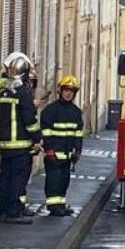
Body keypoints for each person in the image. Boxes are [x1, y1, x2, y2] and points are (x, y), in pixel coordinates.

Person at [0, 52, 42, 224]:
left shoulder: (2, 91)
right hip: (20, 145)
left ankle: (1, 210)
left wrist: (5, 123)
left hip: (5, 145)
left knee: (5, 177)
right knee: (18, 178)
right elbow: (29, 120)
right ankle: (13, 212)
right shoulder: (23, 93)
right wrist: (36, 138)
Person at [40, 75, 84, 216]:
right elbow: (46, 133)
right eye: (66, 90)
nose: (68, 93)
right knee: (53, 182)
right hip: (53, 156)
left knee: (64, 181)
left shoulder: (76, 112)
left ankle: (61, 205)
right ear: (60, 91)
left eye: (71, 91)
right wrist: (49, 150)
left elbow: (78, 133)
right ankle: (54, 208)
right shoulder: (50, 111)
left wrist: (78, 151)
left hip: (68, 156)